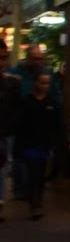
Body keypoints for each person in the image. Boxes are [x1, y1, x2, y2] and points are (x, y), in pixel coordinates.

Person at [14, 70, 65, 220]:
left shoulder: (52, 103)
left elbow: (58, 125)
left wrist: (58, 144)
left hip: (45, 144)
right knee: (33, 172)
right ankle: (35, 205)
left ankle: (37, 202)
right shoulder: (26, 102)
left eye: (47, 83)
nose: (45, 86)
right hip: (30, 144)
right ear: (35, 83)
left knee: (41, 172)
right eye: (42, 83)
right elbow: (20, 124)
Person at [0, 66, 20, 217]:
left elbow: (16, 106)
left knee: (6, 164)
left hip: (7, 130)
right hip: (6, 130)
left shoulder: (11, 82)